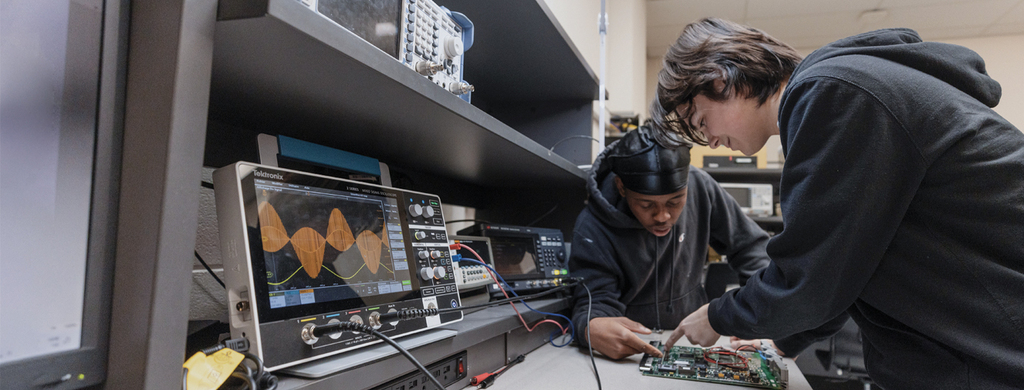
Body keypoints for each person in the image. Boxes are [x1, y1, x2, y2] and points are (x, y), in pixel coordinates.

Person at [651, 18, 1024, 389]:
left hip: (990, 356)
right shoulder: (842, 85)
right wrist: (786, 341)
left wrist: (717, 316)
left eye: (701, 122)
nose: (711, 142)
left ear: (721, 80)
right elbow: (845, 266)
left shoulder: (832, 93)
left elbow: (810, 275)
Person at [568, 125, 771, 360]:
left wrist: (757, 315)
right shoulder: (593, 224)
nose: (662, 216)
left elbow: (751, 248)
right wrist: (591, 327)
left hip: (695, 340)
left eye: (675, 202)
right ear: (621, 187)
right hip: (632, 349)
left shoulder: (700, 186)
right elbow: (593, 301)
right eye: (647, 205)